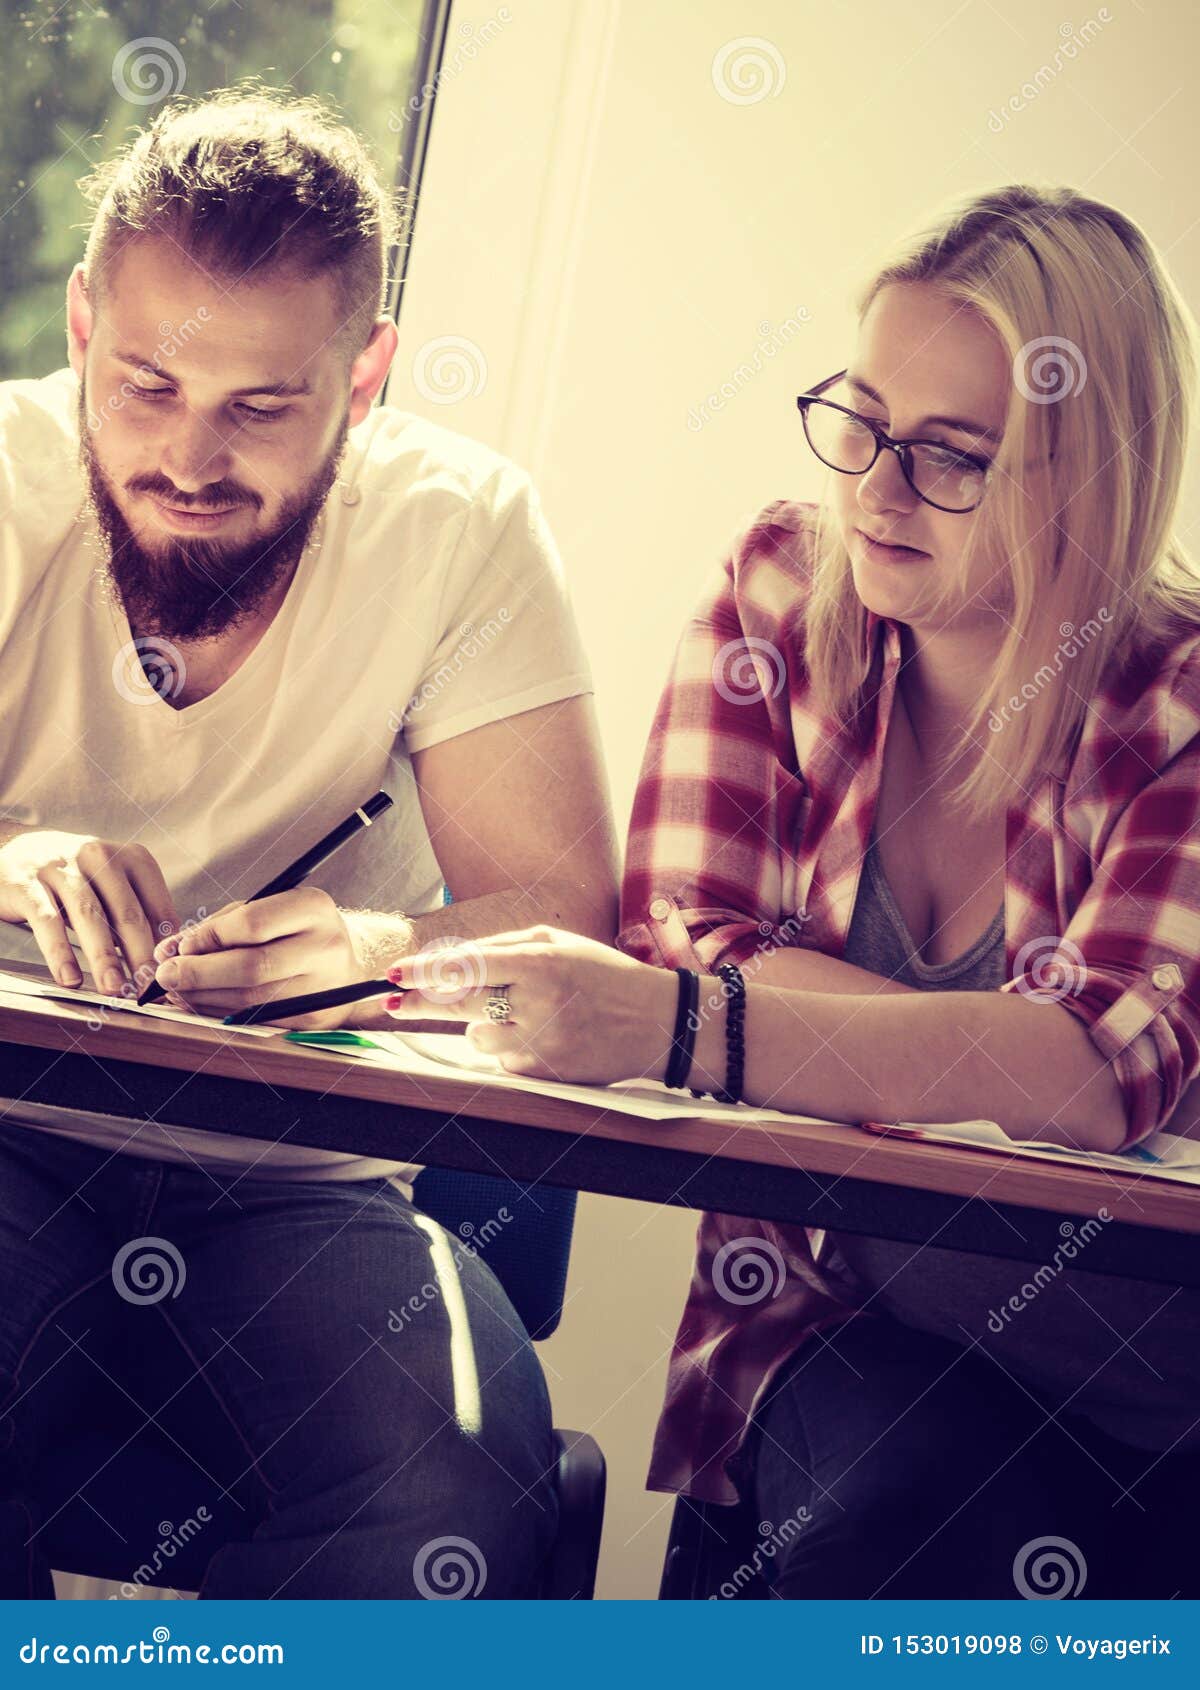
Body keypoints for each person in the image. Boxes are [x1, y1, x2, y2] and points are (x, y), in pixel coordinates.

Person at [387, 185, 1200, 1598]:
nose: (875, 489)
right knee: (905, 1547)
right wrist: (975, 1047)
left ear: (1088, 476)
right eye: (863, 422)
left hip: (1156, 1376)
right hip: (855, 1330)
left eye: (953, 456)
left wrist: (704, 1026)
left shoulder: (1176, 696)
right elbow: (685, 931)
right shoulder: (781, 594)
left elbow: (1108, 1066)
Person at [0, 84, 619, 1599]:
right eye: (143, 384)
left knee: (458, 1498)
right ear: (82, 326)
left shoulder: (461, 528)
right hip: (11, 1135)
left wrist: (386, 951)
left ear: (365, 375)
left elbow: (563, 919)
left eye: (260, 409)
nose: (187, 461)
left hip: (304, 1185)